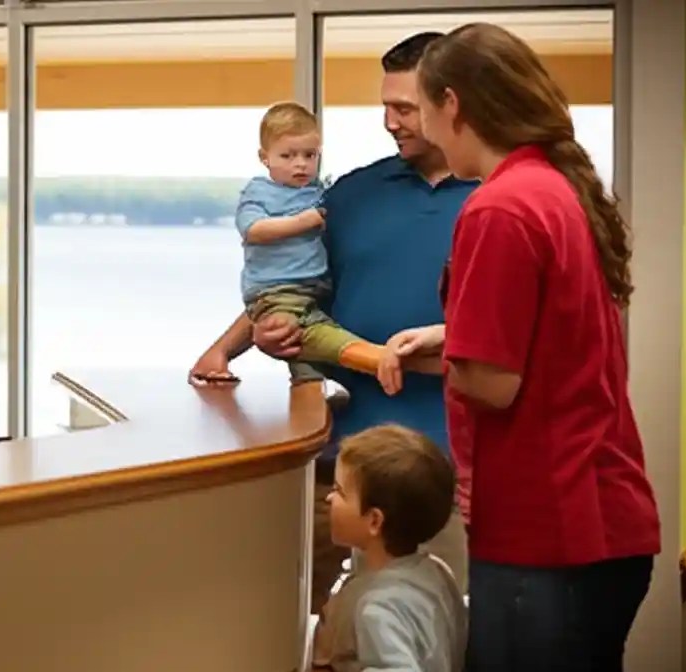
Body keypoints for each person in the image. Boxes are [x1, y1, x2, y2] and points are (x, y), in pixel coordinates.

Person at [378, 23, 661, 672]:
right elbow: (551, 344)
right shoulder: (555, 188)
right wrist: (453, 341)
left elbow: (494, 383)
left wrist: (454, 358)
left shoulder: (500, 207)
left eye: (419, 108)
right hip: (604, 521)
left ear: (454, 104)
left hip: (546, 534)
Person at [190, 32, 477, 611]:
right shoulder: (349, 193)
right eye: (385, 106)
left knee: (441, 640)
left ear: (453, 103)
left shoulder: (499, 198)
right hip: (338, 463)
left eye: (405, 108)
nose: (390, 123)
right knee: (302, 634)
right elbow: (295, 286)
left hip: (450, 471)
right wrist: (236, 345)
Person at [213, 101, 381, 385]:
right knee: (296, 331)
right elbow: (253, 229)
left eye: (309, 155)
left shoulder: (315, 191)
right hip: (278, 290)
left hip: (313, 289)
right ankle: (372, 358)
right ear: (264, 158)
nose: (300, 164)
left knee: (306, 370)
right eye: (287, 156)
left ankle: (310, 397)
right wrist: (304, 221)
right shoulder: (261, 192)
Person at [312, 424, 466, 672]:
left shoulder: (379, 610)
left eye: (339, 492)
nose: (330, 499)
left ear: (374, 521)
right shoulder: (436, 572)